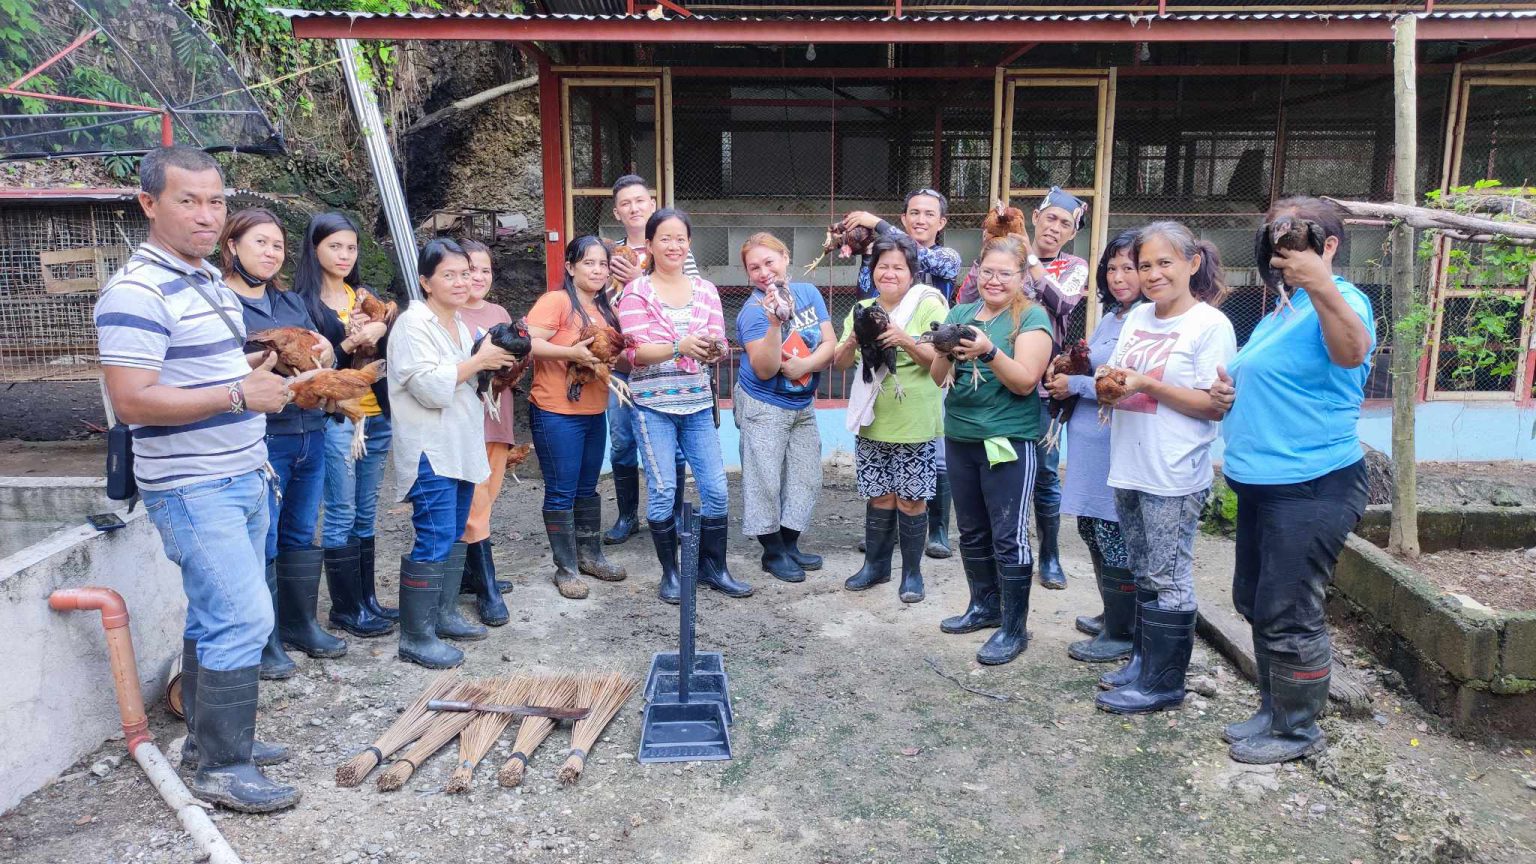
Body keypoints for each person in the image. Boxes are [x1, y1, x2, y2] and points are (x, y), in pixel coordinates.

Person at [95, 146, 298, 811]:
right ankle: (221, 766)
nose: (207, 214)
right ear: (149, 204)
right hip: (190, 483)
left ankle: (209, 742)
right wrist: (240, 396)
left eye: (216, 201)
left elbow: (202, 369)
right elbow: (132, 400)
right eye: (189, 200)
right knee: (243, 614)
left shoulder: (207, 278)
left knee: (217, 612)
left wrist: (264, 363)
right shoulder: (135, 290)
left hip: (241, 471)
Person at [1211, 197, 1373, 764]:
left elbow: (1352, 354)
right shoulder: (1285, 309)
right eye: (1275, 235)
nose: (1279, 247)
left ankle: (1298, 729)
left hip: (1313, 482)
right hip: (1264, 482)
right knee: (1254, 600)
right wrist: (1227, 393)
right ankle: (1272, 709)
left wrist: (1323, 284)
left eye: (1295, 236)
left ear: (1328, 246)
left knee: (1288, 609)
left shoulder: (1342, 299)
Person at [1095, 221, 1236, 715]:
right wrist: (1108, 382)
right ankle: (1142, 662)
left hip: (1173, 471)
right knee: (1143, 570)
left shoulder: (1209, 325)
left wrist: (1145, 385)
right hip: (1130, 463)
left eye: (1163, 263)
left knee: (1170, 574)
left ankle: (1164, 683)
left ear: (1192, 264)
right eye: (1144, 265)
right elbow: (1121, 375)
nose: (1152, 274)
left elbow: (1212, 405)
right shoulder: (1137, 318)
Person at [221, 209, 355, 685]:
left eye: (277, 244)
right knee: (267, 535)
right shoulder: (221, 304)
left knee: (301, 531)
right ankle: (266, 637)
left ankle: (301, 623)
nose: (271, 252)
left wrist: (325, 353)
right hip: (263, 437)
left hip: (310, 429)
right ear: (232, 247)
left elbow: (326, 357)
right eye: (260, 242)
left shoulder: (292, 303)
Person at [387, 239, 514, 668]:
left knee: (455, 528)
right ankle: (416, 636)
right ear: (425, 281)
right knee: (435, 533)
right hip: (430, 449)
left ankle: (442, 614)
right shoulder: (412, 325)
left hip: (460, 444)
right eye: (450, 275)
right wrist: (479, 363)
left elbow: (469, 381)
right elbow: (426, 386)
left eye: (466, 273)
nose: (462, 282)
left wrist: (490, 364)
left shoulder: (459, 325)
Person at [959, 187, 1090, 591]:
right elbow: (965, 299)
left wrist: (1027, 256)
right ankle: (1005, 548)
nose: (1055, 228)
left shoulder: (1074, 266)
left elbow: (1064, 304)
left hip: (1046, 386)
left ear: (1072, 233)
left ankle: (1049, 555)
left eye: (1065, 224)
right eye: (1050, 218)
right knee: (997, 468)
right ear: (1036, 217)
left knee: (1047, 473)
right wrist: (995, 254)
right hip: (995, 379)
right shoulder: (1001, 261)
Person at [930, 235, 1053, 665]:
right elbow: (937, 376)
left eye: (1005, 274)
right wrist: (944, 349)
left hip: (1008, 441)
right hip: (961, 436)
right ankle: (983, 605)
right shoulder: (961, 313)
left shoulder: (1031, 317)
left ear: (1021, 277)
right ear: (976, 272)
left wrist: (989, 350)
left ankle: (1014, 628)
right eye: (988, 272)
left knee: (1009, 535)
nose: (994, 280)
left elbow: (1024, 381)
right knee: (972, 529)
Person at [618, 208, 750, 603]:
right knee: (663, 489)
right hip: (652, 404)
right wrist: (680, 346)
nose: (673, 245)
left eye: (680, 239)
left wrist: (714, 350)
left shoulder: (706, 290)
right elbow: (635, 352)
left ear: (688, 244)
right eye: (665, 238)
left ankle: (714, 567)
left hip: (695, 402)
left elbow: (718, 341)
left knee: (716, 490)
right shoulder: (636, 292)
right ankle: (671, 573)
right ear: (650, 244)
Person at [844, 189, 964, 559]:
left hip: (935, 361)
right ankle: (884, 544)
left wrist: (876, 226)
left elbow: (914, 255)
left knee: (934, 462)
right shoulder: (878, 273)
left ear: (942, 222)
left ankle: (937, 533)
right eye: (913, 212)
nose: (921, 219)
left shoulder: (945, 257)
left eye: (929, 214)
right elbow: (868, 298)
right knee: (882, 481)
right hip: (879, 387)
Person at [294, 213, 396, 645]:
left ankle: (366, 599)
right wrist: (353, 341)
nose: (344, 255)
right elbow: (314, 368)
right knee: (340, 510)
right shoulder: (303, 303)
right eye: (335, 246)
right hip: (338, 418)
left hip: (376, 414)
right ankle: (344, 607)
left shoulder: (362, 295)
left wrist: (382, 330)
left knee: (366, 509)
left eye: (351, 247)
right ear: (314, 247)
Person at [832, 233, 947, 604]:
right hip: (872, 416)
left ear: (912, 272)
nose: (890, 273)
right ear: (872, 271)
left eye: (899, 267)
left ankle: (912, 573)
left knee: (912, 499)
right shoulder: (861, 307)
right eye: (883, 266)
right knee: (878, 495)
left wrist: (906, 340)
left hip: (915, 418)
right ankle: (876, 566)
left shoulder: (929, 304)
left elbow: (941, 363)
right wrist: (851, 339)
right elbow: (840, 362)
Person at [1049, 230, 1144, 664]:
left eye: (1131, 267)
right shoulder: (1113, 316)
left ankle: (1123, 631)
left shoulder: (1146, 320)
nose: (1119, 276)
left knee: (1112, 532)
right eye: (1113, 267)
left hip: (1115, 445)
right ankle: (1112, 612)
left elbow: (1125, 382)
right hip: (1089, 442)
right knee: (1092, 528)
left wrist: (1076, 384)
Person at [526, 236, 628, 600]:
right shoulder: (557, 301)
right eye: (588, 263)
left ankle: (590, 554)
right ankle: (565, 567)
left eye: (602, 263)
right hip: (555, 410)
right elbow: (528, 342)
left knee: (587, 487)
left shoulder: (606, 308)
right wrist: (572, 352)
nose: (597, 270)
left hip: (593, 410)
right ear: (570, 267)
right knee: (561, 489)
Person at [733, 232, 835, 582]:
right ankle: (772, 552)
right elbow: (763, 368)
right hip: (764, 403)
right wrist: (775, 323)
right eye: (754, 267)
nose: (763, 272)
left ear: (785, 258)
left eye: (769, 262)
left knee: (807, 474)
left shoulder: (808, 293)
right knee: (764, 478)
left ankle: (790, 543)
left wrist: (807, 366)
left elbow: (830, 343)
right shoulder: (752, 312)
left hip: (802, 401)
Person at [603, 174, 696, 545]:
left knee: (672, 443)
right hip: (622, 367)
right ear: (617, 212)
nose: (634, 208)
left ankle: (672, 512)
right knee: (622, 440)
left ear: (652, 204)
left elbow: (688, 303)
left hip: (665, 367)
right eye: (625, 203)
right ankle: (628, 516)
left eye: (640, 200)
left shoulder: (676, 251)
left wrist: (639, 277)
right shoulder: (609, 254)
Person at [453, 239, 513, 626]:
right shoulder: (447, 314)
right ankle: (487, 588)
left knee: (488, 494)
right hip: (467, 417)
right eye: (469, 269)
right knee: (473, 499)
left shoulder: (498, 312)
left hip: (499, 413)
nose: (478, 277)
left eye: (485, 270)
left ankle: (467, 574)